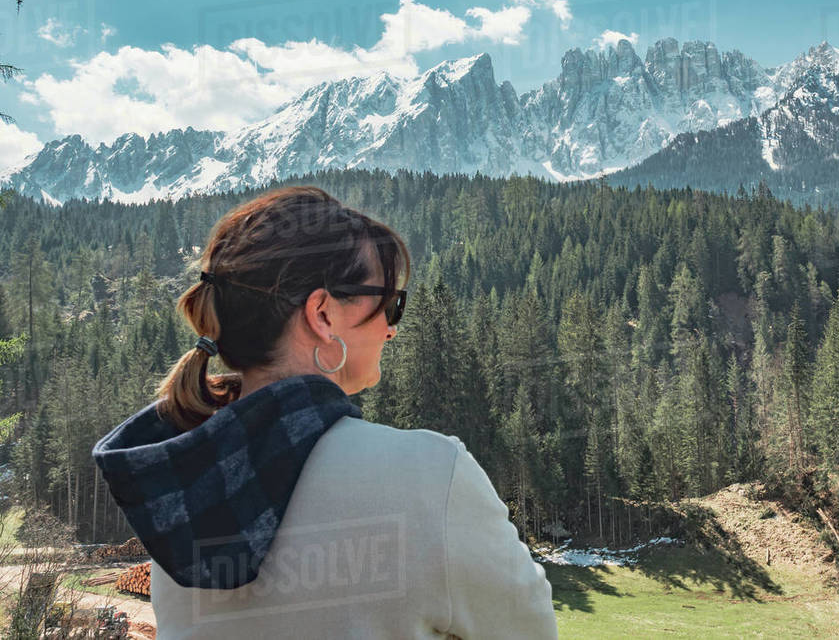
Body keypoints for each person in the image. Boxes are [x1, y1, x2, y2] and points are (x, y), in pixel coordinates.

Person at [92, 186, 558, 639]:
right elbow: (531, 629)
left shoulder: (183, 483)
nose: (392, 330)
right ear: (323, 314)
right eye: (390, 304)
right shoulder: (433, 475)